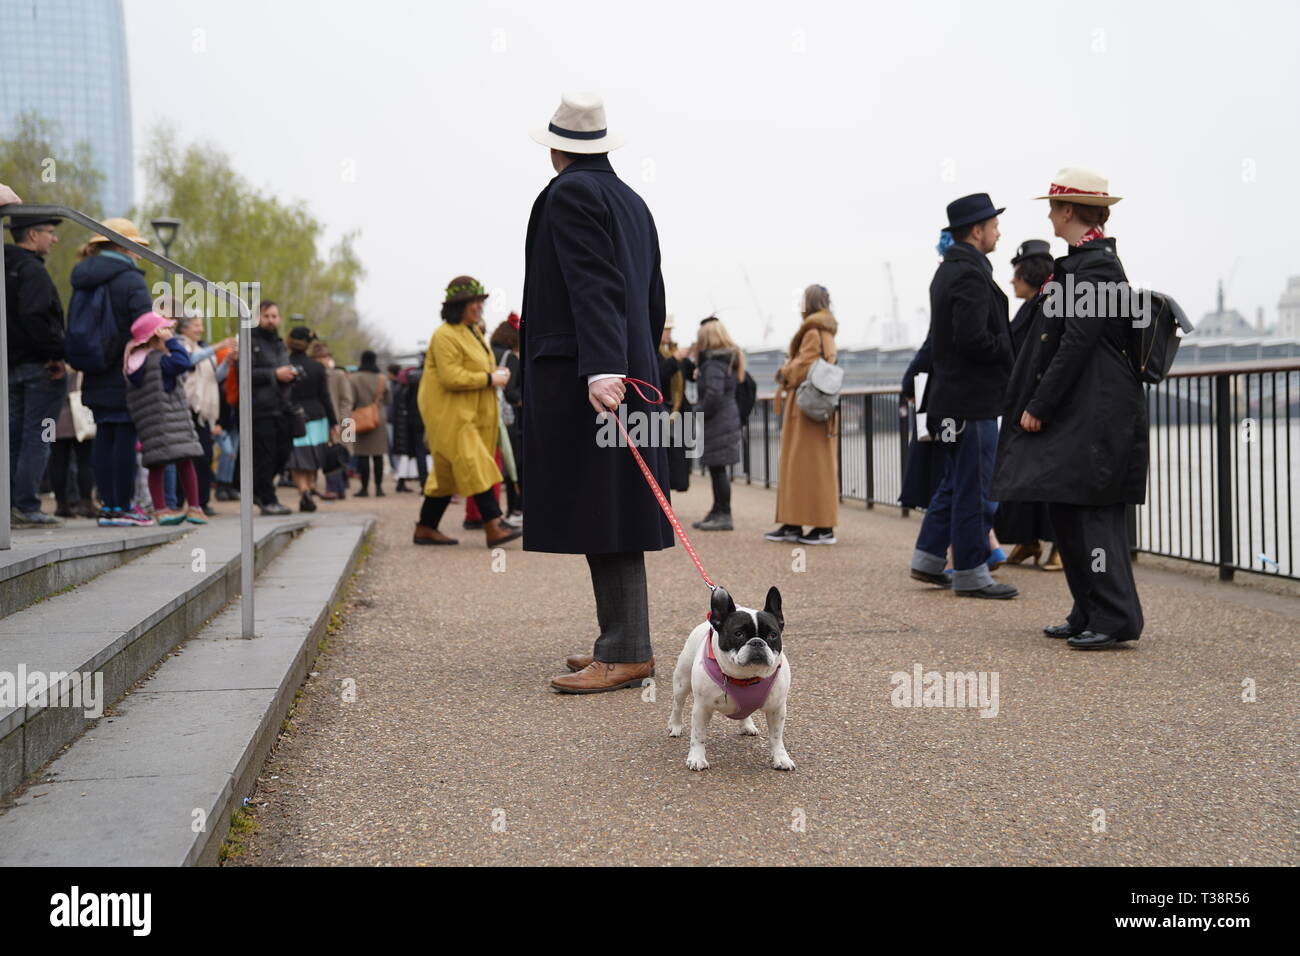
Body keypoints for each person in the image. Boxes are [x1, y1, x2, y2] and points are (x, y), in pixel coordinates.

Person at [521, 93, 672, 694]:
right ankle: (620, 641)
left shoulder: (570, 193)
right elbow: (650, 297)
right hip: (626, 369)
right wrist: (635, 360)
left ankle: (629, 650)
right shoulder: (632, 201)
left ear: (558, 146)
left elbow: (593, 283)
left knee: (605, 509)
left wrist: (604, 367)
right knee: (608, 507)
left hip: (594, 377)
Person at [993, 168, 1146, 649]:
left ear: (1069, 211)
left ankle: (1117, 616)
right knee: (1067, 510)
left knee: (1092, 514)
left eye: (1053, 207)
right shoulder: (1083, 263)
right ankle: (1088, 608)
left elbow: (1076, 343)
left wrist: (1039, 404)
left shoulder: (1096, 267)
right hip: (1082, 413)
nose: (1048, 215)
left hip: (1096, 416)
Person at [908, 195, 1018, 598]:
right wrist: (1008, 350)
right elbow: (973, 338)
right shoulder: (970, 274)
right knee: (975, 486)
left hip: (949, 400)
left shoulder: (948, 271)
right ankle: (972, 571)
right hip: (973, 402)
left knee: (955, 482)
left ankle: (928, 558)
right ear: (977, 230)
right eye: (994, 225)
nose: (998, 232)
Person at [412, 276, 521, 548]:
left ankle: (426, 528)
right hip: (451, 416)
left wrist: (494, 374)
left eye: (480, 302)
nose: (479, 307)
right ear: (458, 306)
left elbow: (475, 368)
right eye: (473, 302)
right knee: (477, 463)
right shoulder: (444, 335)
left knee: (445, 477)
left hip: (470, 415)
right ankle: (493, 525)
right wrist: (489, 378)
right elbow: (451, 377)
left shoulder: (472, 332)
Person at [70, 218, 155, 527]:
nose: (139, 255)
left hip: (93, 367)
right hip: (123, 369)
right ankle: (122, 505)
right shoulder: (130, 280)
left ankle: (107, 505)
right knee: (124, 436)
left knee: (104, 435)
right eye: (136, 248)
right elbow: (143, 328)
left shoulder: (83, 277)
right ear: (121, 245)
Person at [995, 240, 1061, 570]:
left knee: (1046, 477)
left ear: (1030, 274)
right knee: (1021, 476)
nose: (1012, 281)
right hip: (1019, 404)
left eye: (1016, 274)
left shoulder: (1047, 304)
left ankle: (1058, 545)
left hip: (1038, 405)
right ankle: (1028, 540)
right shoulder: (1028, 306)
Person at [5, 213, 68, 526]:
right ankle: (27, 505)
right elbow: (36, 316)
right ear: (32, 235)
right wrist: (55, 354)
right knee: (39, 435)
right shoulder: (31, 271)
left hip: (11, 366)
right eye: (49, 232)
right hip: (40, 368)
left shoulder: (6, 267)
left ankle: (10, 505)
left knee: (12, 436)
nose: (54, 239)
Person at [765, 284, 840, 545]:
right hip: (819, 410)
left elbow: (804, 366)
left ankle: (815, 526)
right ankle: (801, 523)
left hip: (806, 412)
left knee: (800, 467)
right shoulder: (826, 331)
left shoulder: (811, 331)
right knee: (813, 469)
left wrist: (785, 371)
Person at [123, 311, 206, 525]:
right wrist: (172, 343)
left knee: (156, 465)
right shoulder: (159, 360)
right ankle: (195, 507)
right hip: (172, 421)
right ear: (156, 338)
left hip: (150, 425)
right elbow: (182, 362)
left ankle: (160, 509)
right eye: (167, 333)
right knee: (186, 462)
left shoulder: (133, 362)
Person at [175, 313, 233, 517]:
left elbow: (216, 377)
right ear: (183, 328)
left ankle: (201, 500)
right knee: (186, 455)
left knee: (205, 456)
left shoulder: (203, 349)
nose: (200, 329)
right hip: (189, 407)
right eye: (196, 325)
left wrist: (226, 361)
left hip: (206, 412)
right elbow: (187, 361)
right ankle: (181, 499)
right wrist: (219, 346)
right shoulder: (179, 345)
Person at [690, 315, 743, 531]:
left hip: (718, 421)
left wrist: (696, 411)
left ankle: (723, 514)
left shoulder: (713, 364)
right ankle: (718, 510)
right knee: (717, 468)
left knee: (718, 469)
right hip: (727, 417)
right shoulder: (728, 359)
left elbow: (713, 395)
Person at [248, 300, 295, 516]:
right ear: (258, 317)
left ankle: (259, 488)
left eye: (274, 316)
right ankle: (267, 498)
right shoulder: (250, 340)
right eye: (266, 316)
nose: (270, 320)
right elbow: (245, 374)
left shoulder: (279, 343)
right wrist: (274, 374)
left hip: (281, 405)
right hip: (260, 407)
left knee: (283, 452)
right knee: (265, 456)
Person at [284, 326, 339, 511]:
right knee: (314, 456)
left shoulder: (283, 365)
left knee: (298, 457)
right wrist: (333, 422)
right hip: (317, 415)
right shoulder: (317, 367)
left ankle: (303, 490)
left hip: (293, 416)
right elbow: (325, 396)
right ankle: (310, 487)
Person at [49, 369, 97, 519]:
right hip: (78, 419)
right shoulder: (76, 364)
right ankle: (86, 502)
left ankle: (61, 504)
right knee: (85, 461)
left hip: (50, 418)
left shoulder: (46, 365)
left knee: (55, 462)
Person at [489, 315, 524, 523]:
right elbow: (511, 392)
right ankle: (515, 510)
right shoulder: (509, 357)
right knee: (514, 465)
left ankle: (488, 515)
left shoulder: (487, 353)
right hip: (507, 419)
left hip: (485, 414)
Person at [311, 340, 353, 500]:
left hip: (341, 419)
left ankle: (337, 486)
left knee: (340, 452)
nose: (321, 360)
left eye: (324, 357)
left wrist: (343, 420)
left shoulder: (338, 375)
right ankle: (336, 487)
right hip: (323, 419)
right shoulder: (316, 375)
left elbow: (347, 400)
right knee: (331, 453)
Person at [658, 315, 693, 493]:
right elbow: (658, 375)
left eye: (670, 330)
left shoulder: (674, 351)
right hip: (662, 408)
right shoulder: (655, 352)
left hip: (679, 410)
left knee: (679, 456)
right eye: (666, 330)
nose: (669, 334)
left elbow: (689, 374)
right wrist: (675, 360)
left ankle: (675, 487)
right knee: (666, 456)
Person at [349, 350, 389, 496]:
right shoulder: (382, 379)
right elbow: (388, 400)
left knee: (362, 455)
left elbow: (349, 401)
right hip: (378, 419)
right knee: (378, 455)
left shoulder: (354, 378)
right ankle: (379, 488)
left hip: (359, 419)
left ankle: (364, 489)